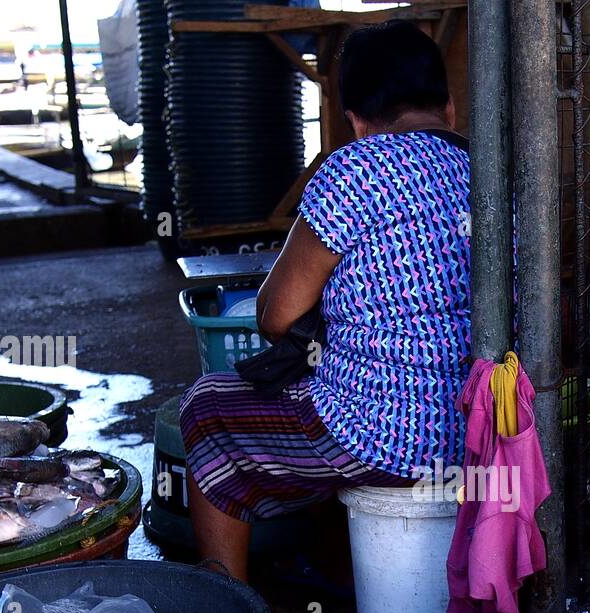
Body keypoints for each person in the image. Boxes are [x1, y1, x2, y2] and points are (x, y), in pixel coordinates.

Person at [179, 20, 470, 581]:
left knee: (207, 406)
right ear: (451, 108)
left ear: (356, 121)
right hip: (484, 429)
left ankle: (228, 602)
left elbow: (276, 316)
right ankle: (335, 563)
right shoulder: (493, 172)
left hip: (384, 437)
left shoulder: (354, 169)